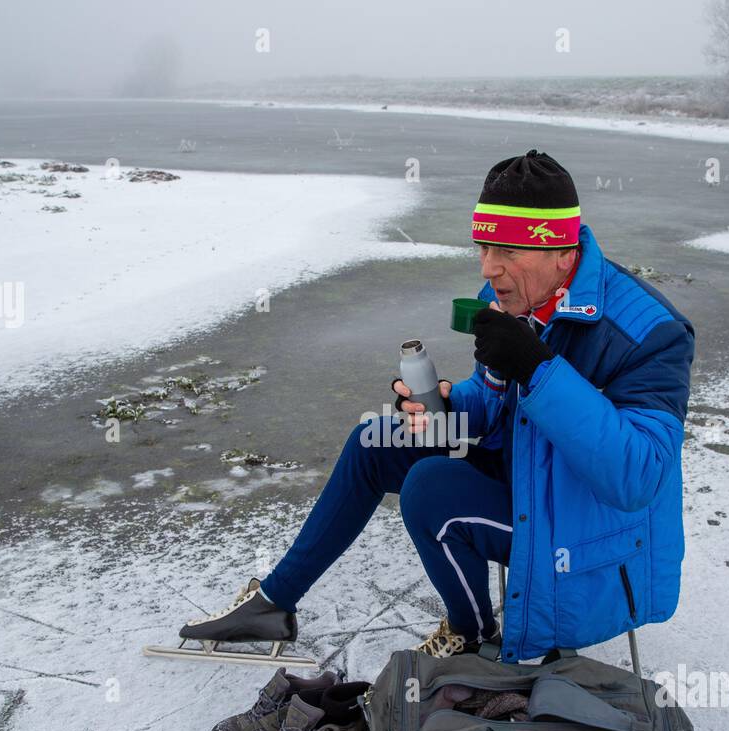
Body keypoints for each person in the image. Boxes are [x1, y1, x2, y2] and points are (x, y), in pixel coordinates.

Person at [178, 150, 695, 664]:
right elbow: (490, 404)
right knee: (374, 441)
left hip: (585, 527)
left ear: (561, 252)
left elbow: (638, 478)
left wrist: (538, 369)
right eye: (483, 246)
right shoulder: (510, 298)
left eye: (509, 251)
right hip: (521, 470)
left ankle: (469, 632)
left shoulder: (650, 332)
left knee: (430, 489)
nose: (490, 268)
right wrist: (448, 408)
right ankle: (274, 602)